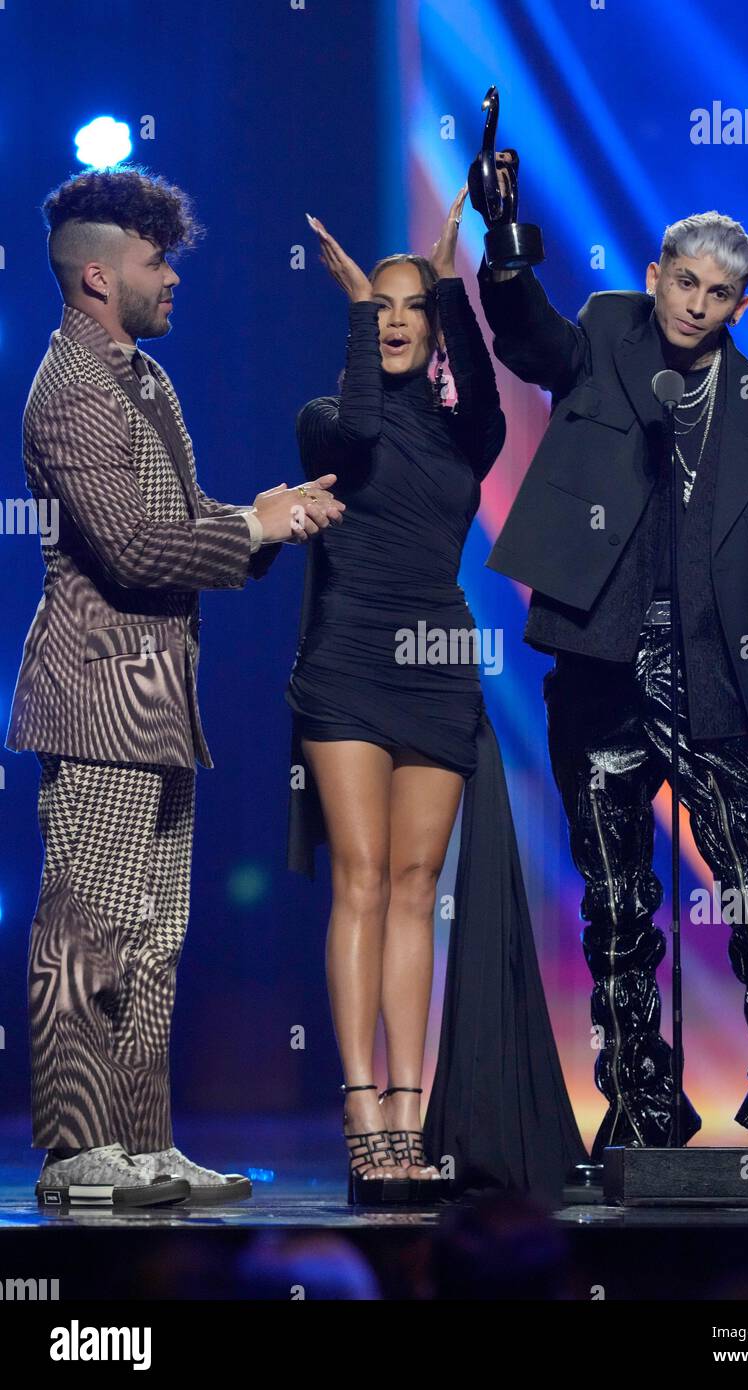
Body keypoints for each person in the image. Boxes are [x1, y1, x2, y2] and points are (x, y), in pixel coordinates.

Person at [476, 156, 748, 1207]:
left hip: (709, 679)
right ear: (656, 276)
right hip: (600, 667)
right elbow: (529, 338)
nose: (695, 304)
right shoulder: (603, 337)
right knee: (614, 906)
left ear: (741, 304)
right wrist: (507, 248)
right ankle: (640, 1111)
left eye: (717, 292)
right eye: (682, 280)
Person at [5, 166, 343, 1208]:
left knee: (155, 934)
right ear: (97, 276)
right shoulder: (66, 390)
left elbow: (188, 514)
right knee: (87, 927)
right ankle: (74, 1152)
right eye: (158, 264)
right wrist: (253, 526)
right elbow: (136, 548)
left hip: (162, 700)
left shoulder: (147, 380)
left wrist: (260, 513)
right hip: (97, 695)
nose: (174, 281)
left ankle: (143, 1143)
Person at [286, 188, 586, 1204]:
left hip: (437, 660)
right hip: (347, 662)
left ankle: (408, 1114)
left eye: (414, 307)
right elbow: (363, 429)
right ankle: (363, 1104)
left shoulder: (466, 438)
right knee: (362, 878)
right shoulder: (326, 418)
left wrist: (449, 279)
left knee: (417, 888)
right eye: (386, 307)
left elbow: (496, 404)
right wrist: (364, 312)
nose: (400, 317)